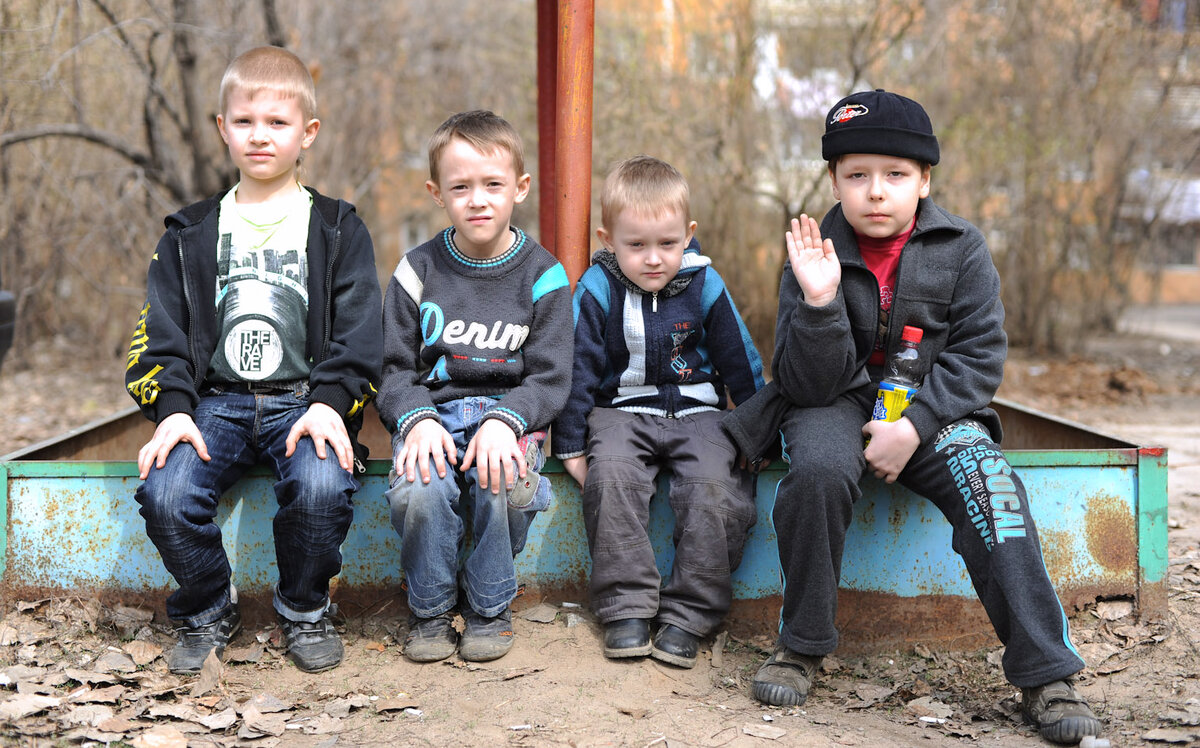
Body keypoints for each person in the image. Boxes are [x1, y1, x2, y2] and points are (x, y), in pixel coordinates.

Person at [725, 90, 1102, 745]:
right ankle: (802, 643)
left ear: (924, 179)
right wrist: (817, 302)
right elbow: (801, 379)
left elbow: (980, 357)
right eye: (856, 175)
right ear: (835, 180)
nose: (876, 191)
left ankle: (1045, 672)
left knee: (992, 484)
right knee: (815, 472)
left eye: (895, 174)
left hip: (930, 406)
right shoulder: (812, 250)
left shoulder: (961, 248)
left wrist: (913, 424)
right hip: (832, 402)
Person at [125, 46, 383, 675]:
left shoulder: (336, 229)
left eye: (278, 123)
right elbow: (157, 337)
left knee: (321, 484)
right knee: (166, 490)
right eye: (244, 122)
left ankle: (304, 608)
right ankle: (210, 607)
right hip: (214, 403)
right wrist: (171, 411)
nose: (260, 136)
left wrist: (329, 405)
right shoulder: (188, 235)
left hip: (305, 401)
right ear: (222, 129)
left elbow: (362, 336)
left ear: (308, 134)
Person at [377, 110, 573, 664]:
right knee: (421, 487)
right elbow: (393, 371)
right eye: (460, 187)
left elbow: (552, 376)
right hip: (432, 417)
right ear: (437, 193)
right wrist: (415, 419)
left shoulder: (543, 275)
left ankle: (489, 607)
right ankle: (431, 608)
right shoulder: (415, 272)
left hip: (511, 415)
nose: (478, 199)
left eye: (493, 184)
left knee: (501, 481)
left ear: (520, 188)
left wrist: (505, 420)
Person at [554, 155, 765, 669]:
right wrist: (570, 444)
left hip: (700, 414)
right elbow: (578, 368)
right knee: (613, 478)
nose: (654, 258)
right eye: (636, 245)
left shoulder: (705, 285)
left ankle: (689, 614)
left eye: (668, 244)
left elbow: (741, 360)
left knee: (716, 491)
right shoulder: (598, 288)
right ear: (608, 239)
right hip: (621, 413)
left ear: (688, 234)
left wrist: (759, 434)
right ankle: (626, 607)